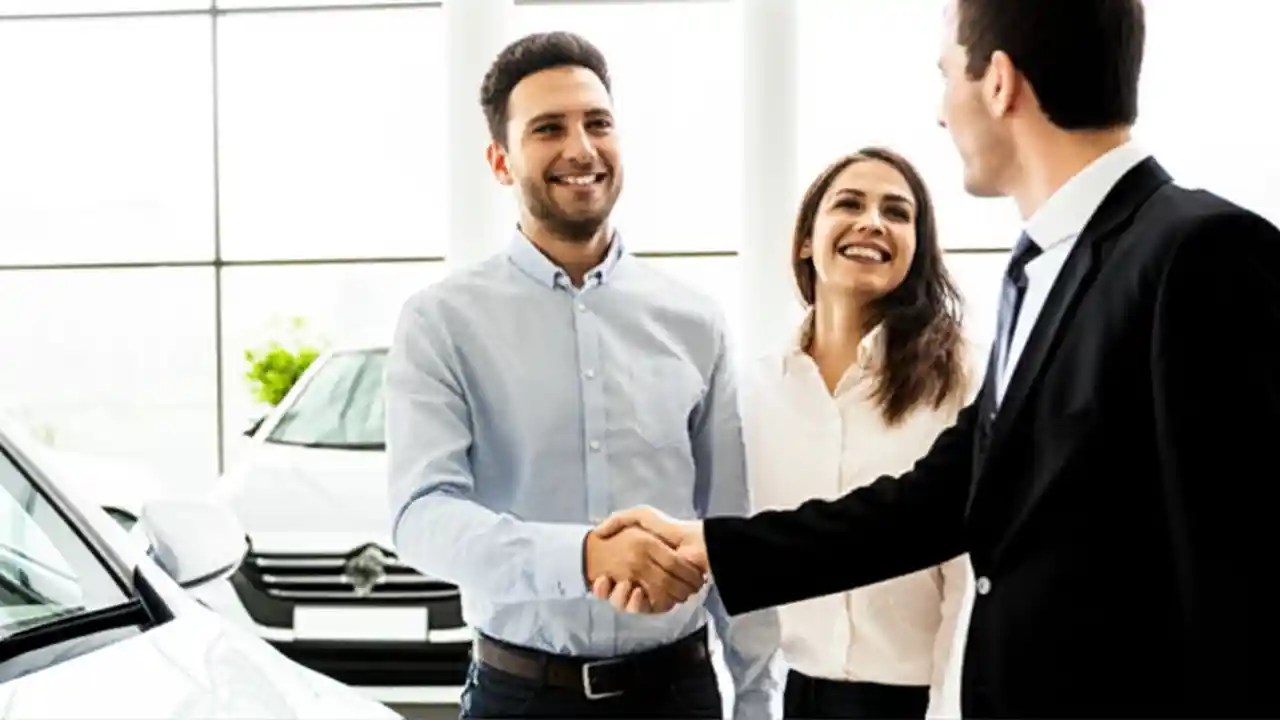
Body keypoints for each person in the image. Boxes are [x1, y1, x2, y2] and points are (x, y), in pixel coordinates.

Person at [589, 0, 1280, 717]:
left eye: (948, 73)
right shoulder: (1034, 272)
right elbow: (940, 500)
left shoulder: (1203, 251)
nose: (942, 113)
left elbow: (1247, 584)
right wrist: (711, 546)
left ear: (1000, 82)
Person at [384, 31, 782, 720]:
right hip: (521, 696)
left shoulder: (695, 321)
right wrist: (584, 554)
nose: (581, 148)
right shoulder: (439, 323)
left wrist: (755, 698)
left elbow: (729, 521)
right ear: (500, 162)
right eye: (548, 128)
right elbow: (422, 517)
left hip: (679, 694)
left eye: (598, 123)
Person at [741, 148, 975, 719]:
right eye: (849, 203)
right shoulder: (754, 389)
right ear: (805, 239)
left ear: (916, 250)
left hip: (920, 702)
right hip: (797, 696)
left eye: (897, 212)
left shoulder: (963, 378)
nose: (872, 221)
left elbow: (966, 584)